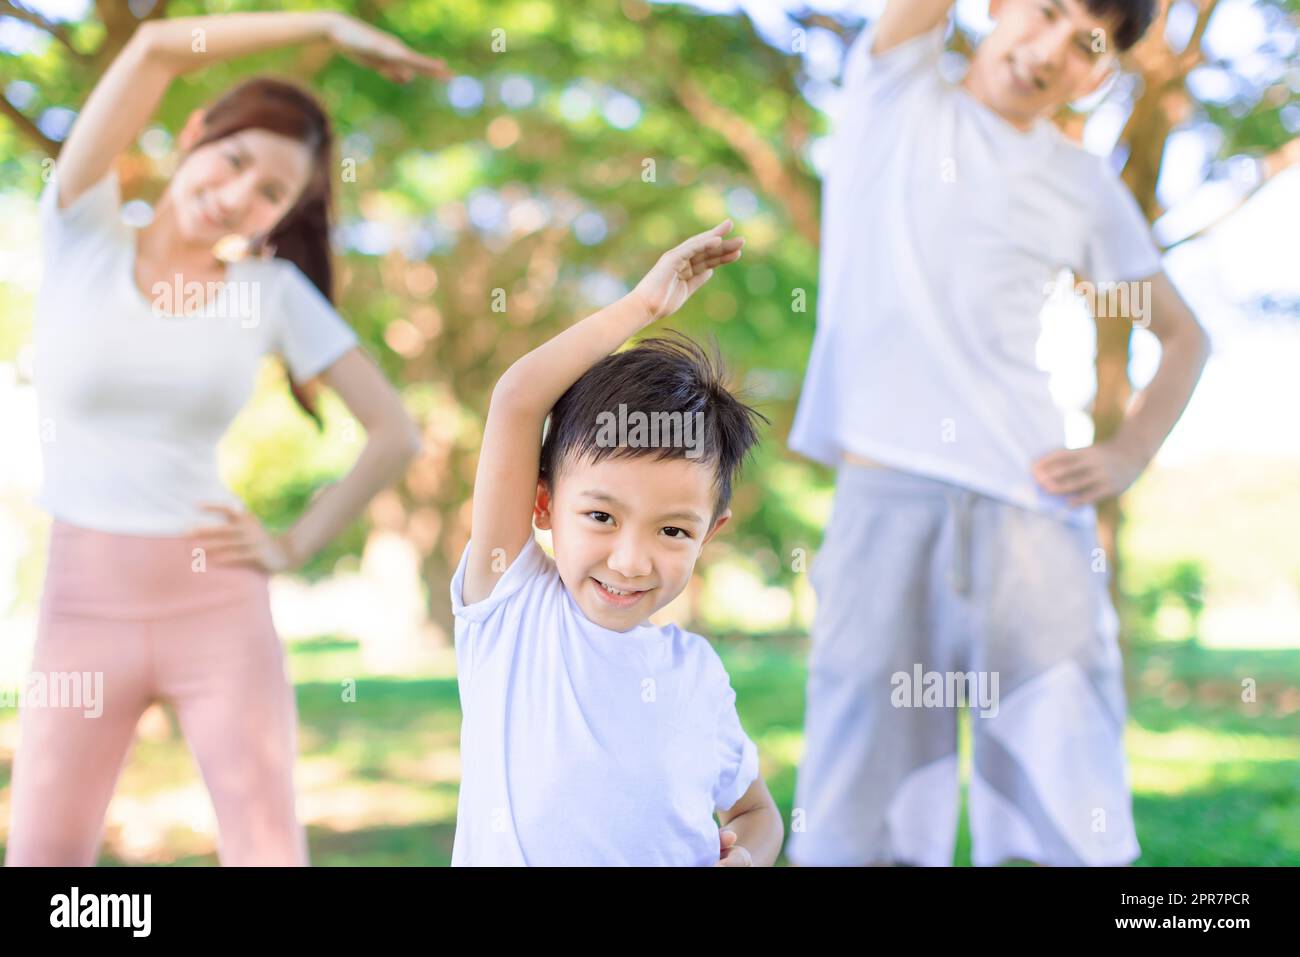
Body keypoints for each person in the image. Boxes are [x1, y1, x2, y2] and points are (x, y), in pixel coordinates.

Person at [6, 10, 448, 866]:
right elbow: (154, 50)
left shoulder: (271, 293)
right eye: (236, 159)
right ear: (196, 134)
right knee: (43, 861)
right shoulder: (82, 225)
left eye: (272, 193)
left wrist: (293, 543)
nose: (241, 195)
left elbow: (395, 432)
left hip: (218, 606)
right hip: (80, 605)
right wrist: (328, 23)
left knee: (268, 852)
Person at [786, 0, 1210, 866]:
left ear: (1101, 73)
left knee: (1064, 780)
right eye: (1045, 11)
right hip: (884, 493)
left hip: (1033, 505)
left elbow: (1185, 337)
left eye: (1087, 43)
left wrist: (1127, 453)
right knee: (860, 788)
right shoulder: (895, 91)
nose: (1052, 49)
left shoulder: (1080, 183)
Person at [449, 221, 783, 865]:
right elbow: (517, 400)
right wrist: (642, 307)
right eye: (601, 516)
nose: (630, 561)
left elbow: (757, 814)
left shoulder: (698, 675)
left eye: (673, 530)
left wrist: (747, 855)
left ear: (710, 534)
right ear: (543, 505)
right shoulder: (511, 609)